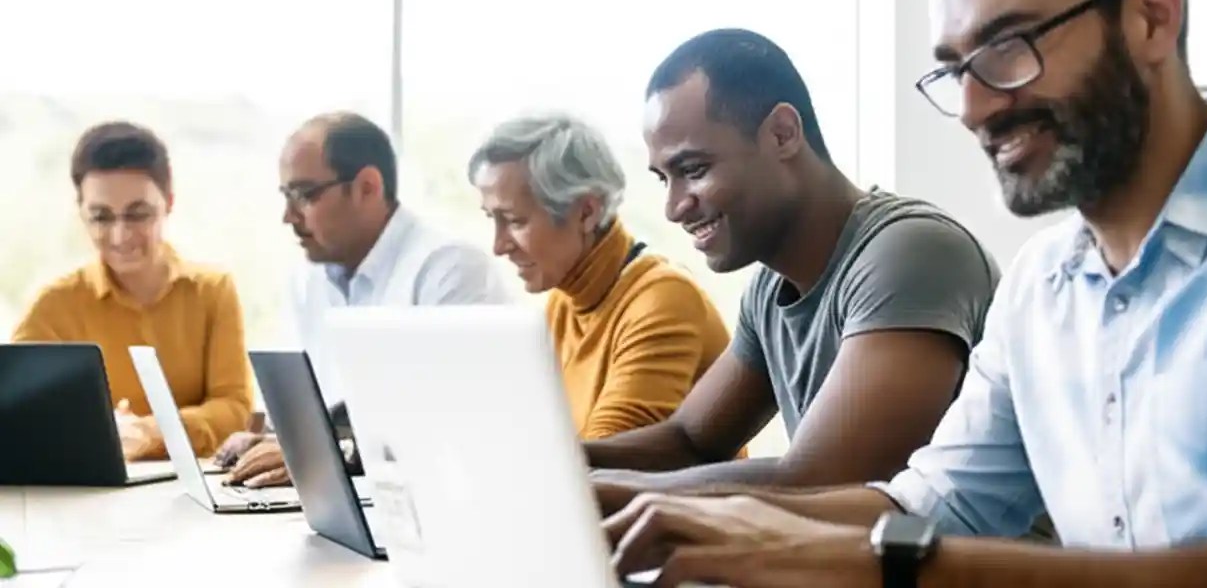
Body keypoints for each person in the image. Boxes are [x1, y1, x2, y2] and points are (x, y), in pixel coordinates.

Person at [600, 0, 1207, 586]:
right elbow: (932, 502)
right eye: (957, 71)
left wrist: (840, 555)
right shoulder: (1042, 288)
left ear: (1151, 15)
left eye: (1009, 47)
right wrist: (660, 513)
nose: (975, 108)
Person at [586, 28, 1000, 516]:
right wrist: (556, 461)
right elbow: (691, 439)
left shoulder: (913, 251)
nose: (674, 207)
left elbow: (820, 483)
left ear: (783, 133)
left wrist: (593, 493)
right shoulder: (769, 287)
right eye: (664, 179)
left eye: (694, 169)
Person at [217, 112, 509, 486]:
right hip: (338, 503)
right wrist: (269, 445)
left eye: (304, 195)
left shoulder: (450, 270)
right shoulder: (308, 279)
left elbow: (457, 428)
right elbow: (310, 415)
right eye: (286, 196)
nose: (288, 216)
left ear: (368, 187)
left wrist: (330, 455)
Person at [469, 113, 730, 439]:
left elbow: (605, 461)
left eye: (515, 220)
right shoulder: (562, 304)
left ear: (586, 212)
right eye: (491, 219)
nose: (498, 245)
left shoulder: (664, 301)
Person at [13, 121, 251, 460]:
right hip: (87, 491)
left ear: (168, 202)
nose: (120, 236)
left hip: (194, 492)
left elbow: (233, 408)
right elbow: (21, 415)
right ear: (81, 211)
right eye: (101, 217)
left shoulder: (213, 292)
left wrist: (149, 432)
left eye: (138, 214)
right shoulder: (52, 306)